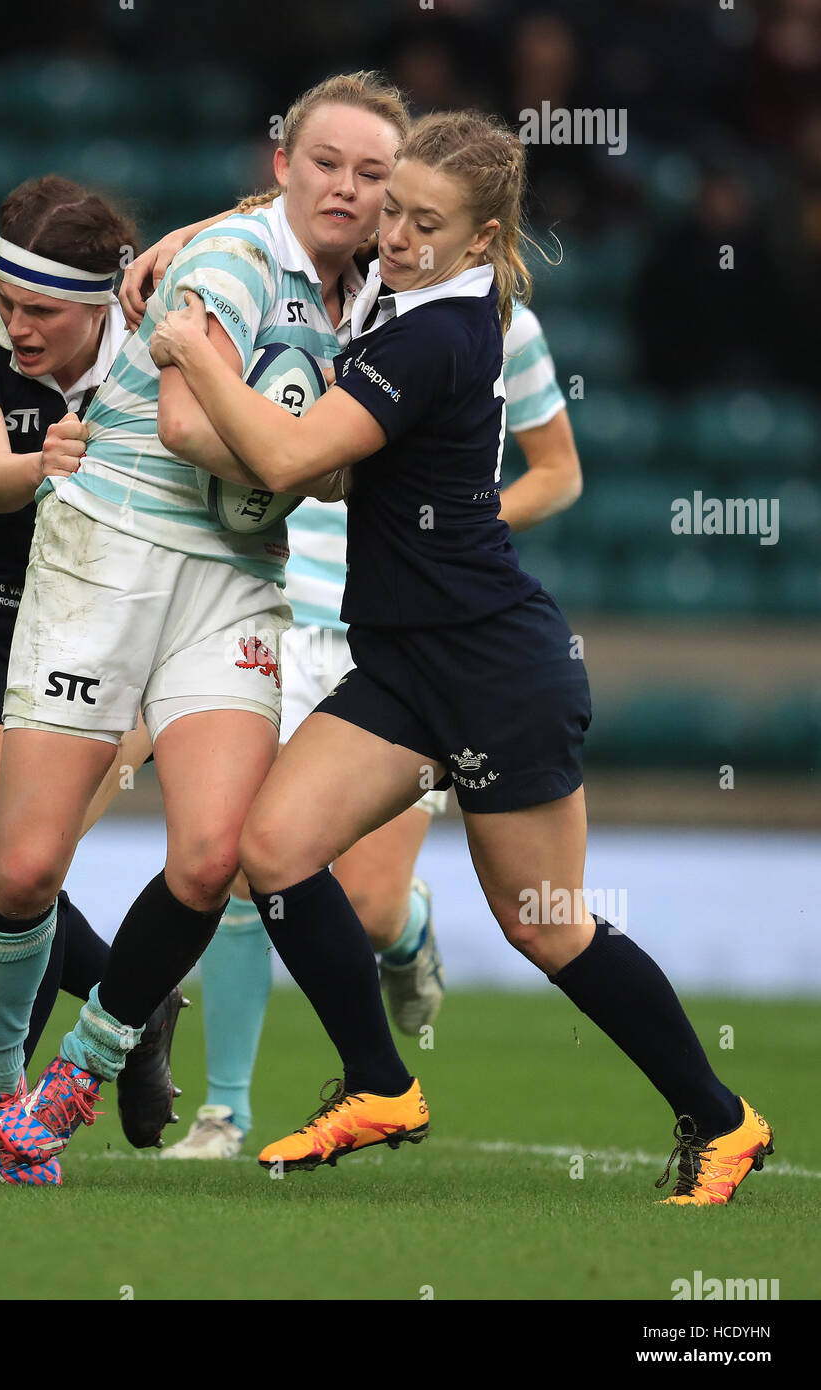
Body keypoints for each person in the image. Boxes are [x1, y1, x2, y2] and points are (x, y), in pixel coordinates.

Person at [146, 109, 773, 1206]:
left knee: (546, 927)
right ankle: (382, 1083)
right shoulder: (423, 287)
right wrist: (196, 237)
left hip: (491, 666)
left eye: (423, 222)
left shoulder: (436, 334)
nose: (392, 234)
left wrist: (198, 351)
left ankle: (722, 1120)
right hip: (402, 664)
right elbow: (299, 220)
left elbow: (293, 454)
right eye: (391, 209)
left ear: (479, 241)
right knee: (275, 847)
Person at [0, 72, 410, 1185]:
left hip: (237, 582)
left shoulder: (369, 300)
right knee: (22, 872)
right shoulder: (231, 261)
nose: (347, 188)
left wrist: (312, 464)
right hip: (109, 551)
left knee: (214, 856)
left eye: (371, 173)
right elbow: (178, 415)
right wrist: (311, 463)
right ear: (282, 165)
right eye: (326, 164)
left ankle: (62, 1095)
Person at [0, 175, 184, 1181]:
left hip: (118, 642)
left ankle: (3, 1107)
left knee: (21, 874)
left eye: (40, 311)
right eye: (6, 302)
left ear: (101, 302)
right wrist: (44, 460)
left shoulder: (162, 349)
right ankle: (132, 1008)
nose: (14, 327)